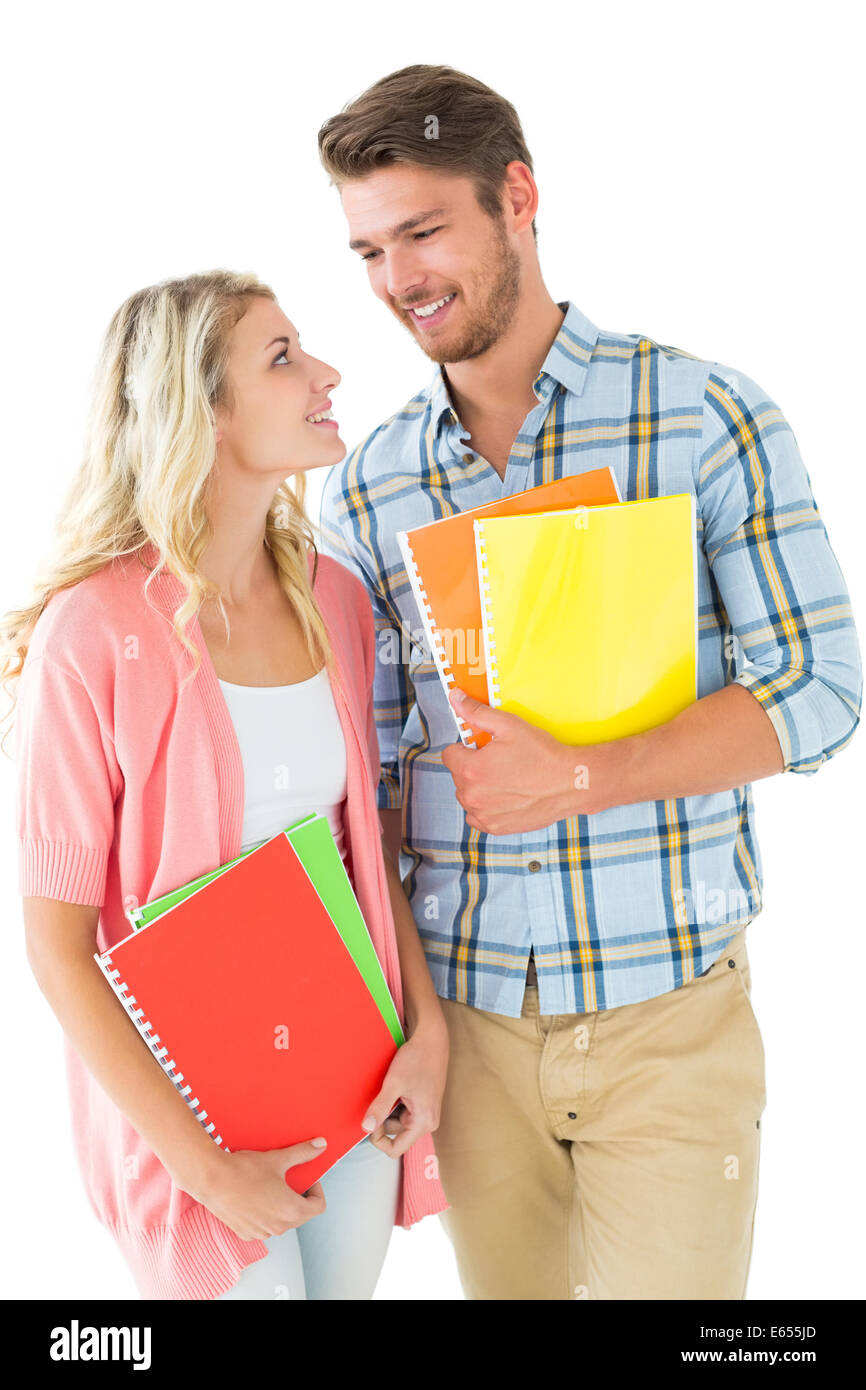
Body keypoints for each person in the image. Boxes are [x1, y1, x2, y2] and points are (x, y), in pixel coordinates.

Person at [315, 65, 863, 1300]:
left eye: (421, 230)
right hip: (470, 1036)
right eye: (366, 251)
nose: (397, 278)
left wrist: (584, 774)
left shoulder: (703, 417)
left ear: (516, 196)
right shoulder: (367, 488)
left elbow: (822, 688)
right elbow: (373, 785)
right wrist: (410, 1021)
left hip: (666, 1019)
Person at [1, 270, 449, 1300]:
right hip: (185, 1122)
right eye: (282, 358)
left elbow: (364, 851)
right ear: (197, 408)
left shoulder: (334, 598)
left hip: (353, 1084)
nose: (326, 374)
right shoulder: (95, 632)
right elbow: (58, 947)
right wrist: (204, 1168)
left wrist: (423, 1035)